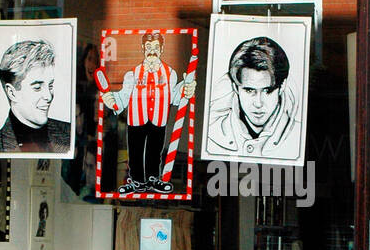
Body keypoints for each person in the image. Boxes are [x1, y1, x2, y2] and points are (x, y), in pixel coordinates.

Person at [100, 31, 195, 194]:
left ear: (162, 48)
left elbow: (174, 96)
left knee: (155, 150)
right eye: (149, 47)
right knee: (135, 151)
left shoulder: (170, 73)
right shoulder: (132, 74)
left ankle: (153, 179)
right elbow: (123, 97)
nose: (152, 50)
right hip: (136, 120)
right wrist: (112, 100)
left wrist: (185, 89)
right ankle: (137, 181)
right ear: (143, 48)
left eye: (156, 47)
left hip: (158, 119)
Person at [205, 36, 302, 160]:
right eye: (249, 90)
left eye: (267, 91)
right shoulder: (211, 135)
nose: (258, 103)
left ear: (282, 86)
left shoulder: (298, 136)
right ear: (235, 87)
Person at [0, 38, 71, 154]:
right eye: (37, 87)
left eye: (50, 86)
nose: (48, 96)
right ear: (12, 93)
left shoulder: (69, 132)